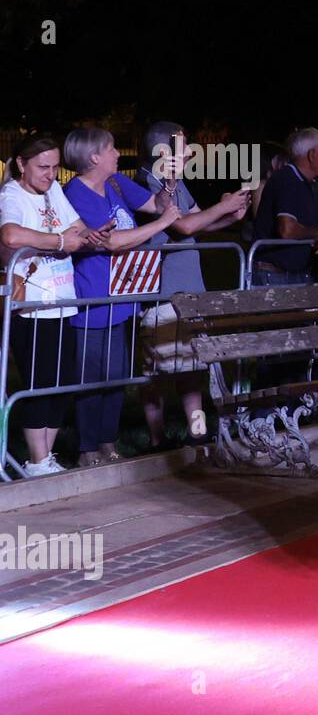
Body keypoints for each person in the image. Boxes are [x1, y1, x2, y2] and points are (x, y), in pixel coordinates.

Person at [61, 129, 181, 467]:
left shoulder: (116, 184)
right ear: (94, 157)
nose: (118, 153)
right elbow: (111, 242)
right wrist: (162, 225)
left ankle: (107, 443)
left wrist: (170, 182)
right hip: (91, 297)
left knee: (115, 376)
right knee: (91, 377)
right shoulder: (76, 192)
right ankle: (87, 449)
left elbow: (158, 205)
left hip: (122, 296)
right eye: (112, 148)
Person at [135, 121, 250, 451]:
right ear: (163, 152)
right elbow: (183, 226)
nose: (189, 155)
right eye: (183, 149)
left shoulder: (178, 184)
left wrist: (231, 215)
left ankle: (196, 431)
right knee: (156, 371)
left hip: (188, 293)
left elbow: (199, 222)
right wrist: (221, 208)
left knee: (192, 370)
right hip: (161, 295)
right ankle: (157, 440)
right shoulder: (149, 184)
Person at [0, 137, 108, 475]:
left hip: (63, 301)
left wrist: (91, 235)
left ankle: (45, 457)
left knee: (61, 381)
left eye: (55, 167)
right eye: (43, 167)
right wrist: (60, 241)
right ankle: (35, 460)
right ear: (21, 163)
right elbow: (11, 236)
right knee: (39, 383)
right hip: (30, 305)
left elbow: (76, 226)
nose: (51, 174)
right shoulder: (11, 196)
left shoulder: (54, 192)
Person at [250, 128, 318, 286]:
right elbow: (287, 230)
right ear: (312, 155)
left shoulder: (309, 184)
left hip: (298, 275)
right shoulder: (286, 180)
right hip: (275, 277)